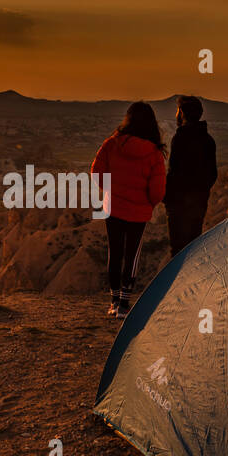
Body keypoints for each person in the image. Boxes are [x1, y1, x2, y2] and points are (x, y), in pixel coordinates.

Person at [91, 102, 166, 318]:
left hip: (113, 208)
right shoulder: (154, 154)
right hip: (138, 211)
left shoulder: (111, 144)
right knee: (131, 255)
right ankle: (124, 304)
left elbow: (96, 172)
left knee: (114, 253)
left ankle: (113, 301)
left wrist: (110, 192)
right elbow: (158, 190)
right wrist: (148, 203)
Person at [164, 95, 217, 256]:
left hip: (179, 203)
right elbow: (212, 174)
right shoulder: (208, 139)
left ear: (182, 113)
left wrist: (167, 197)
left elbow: (174, 172)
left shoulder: (180, 138)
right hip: (199, 202)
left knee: (177, 249)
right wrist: (201, 192)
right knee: (193, 248)